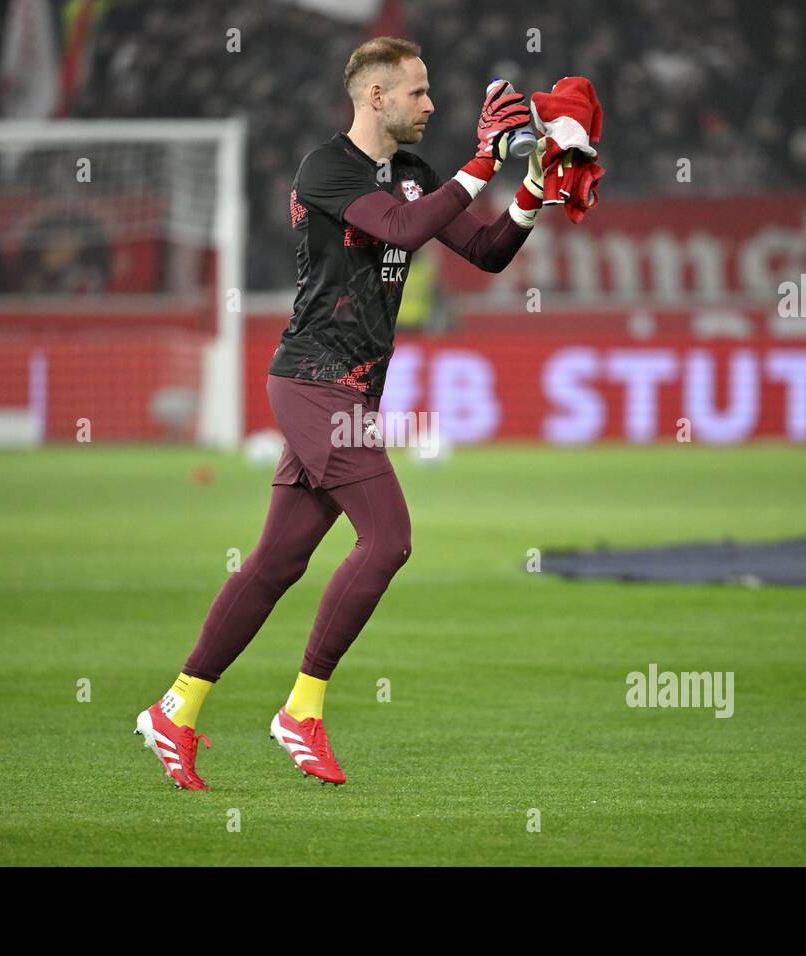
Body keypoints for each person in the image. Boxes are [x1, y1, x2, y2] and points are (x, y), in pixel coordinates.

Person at [135, 36, 548, 790]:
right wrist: (483, 160)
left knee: (274, 564)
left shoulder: (419, 174)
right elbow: (396, 230)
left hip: (350, 390)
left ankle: (176, 708)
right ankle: (301, 710)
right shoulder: (325, 169)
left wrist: (531, 190)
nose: (431, 105)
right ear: (375, 97)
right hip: (313, 381)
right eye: (418, 92)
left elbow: (486, 251)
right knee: (388, 539)